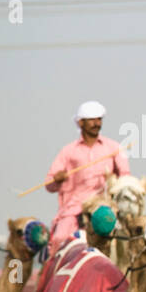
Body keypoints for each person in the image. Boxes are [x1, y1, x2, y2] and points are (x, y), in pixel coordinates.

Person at [45, 100, 130, 250]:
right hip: (74, 209)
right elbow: (49, 185)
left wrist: (115, 181)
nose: (97, 123)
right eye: (92, 120)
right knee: (59, 239)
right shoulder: (68, 151)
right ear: (81, 123)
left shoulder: (114, 147)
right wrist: (57, 179)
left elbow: (125, 177)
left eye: (99, 119)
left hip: (105, 208)